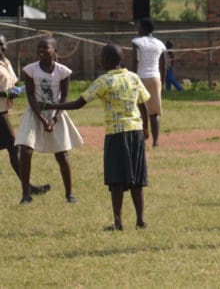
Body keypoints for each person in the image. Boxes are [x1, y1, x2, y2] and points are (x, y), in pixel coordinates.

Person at [44, 44, 151, 230]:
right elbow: (144, 105)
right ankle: (140, 221)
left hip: (116, 134)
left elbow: (79, 103)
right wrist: (146, 129)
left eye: (101, 57)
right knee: (137, 178)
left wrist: (50, 105)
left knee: (116, 179)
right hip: (136, 131)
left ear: (108, 60)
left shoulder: (104, 81)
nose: (99, 60)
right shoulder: (134, 77)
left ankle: (118, 223)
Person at [15, 36, 84, 204]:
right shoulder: (30, 70)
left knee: (62, 154)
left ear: (55, 51)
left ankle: (69, 194)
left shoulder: (63, 71)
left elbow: (64, 98)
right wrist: (41, 118)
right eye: (39, 48)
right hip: (35, 112)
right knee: (25, 150)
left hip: (56, 112)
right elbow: (30, 96)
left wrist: (54, 119)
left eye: (45, 47)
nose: (41, 51)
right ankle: (26, 194)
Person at [0, 35, 50, 198]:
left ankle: (28, 187)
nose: (1, 48)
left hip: (4, 109)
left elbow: (12, 84)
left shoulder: (6, 62)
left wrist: (17, 90)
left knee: (11, 147)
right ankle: (28, 188)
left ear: (7, 46)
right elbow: (5, 90)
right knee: (14, 147)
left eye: (2, 44)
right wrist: (6, 93)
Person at [132, 18, 166, 147]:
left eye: (139, 27)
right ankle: (156, 142)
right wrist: (162, 82)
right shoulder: (160, 43)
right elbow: (163, 64)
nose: (138, 29)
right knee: (154, 112)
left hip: (140, 78)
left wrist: (133, 78)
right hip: (155, 79)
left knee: (138, 111)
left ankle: (140, 141)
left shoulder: (136, 42)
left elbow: (135, 61)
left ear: (144, 29)